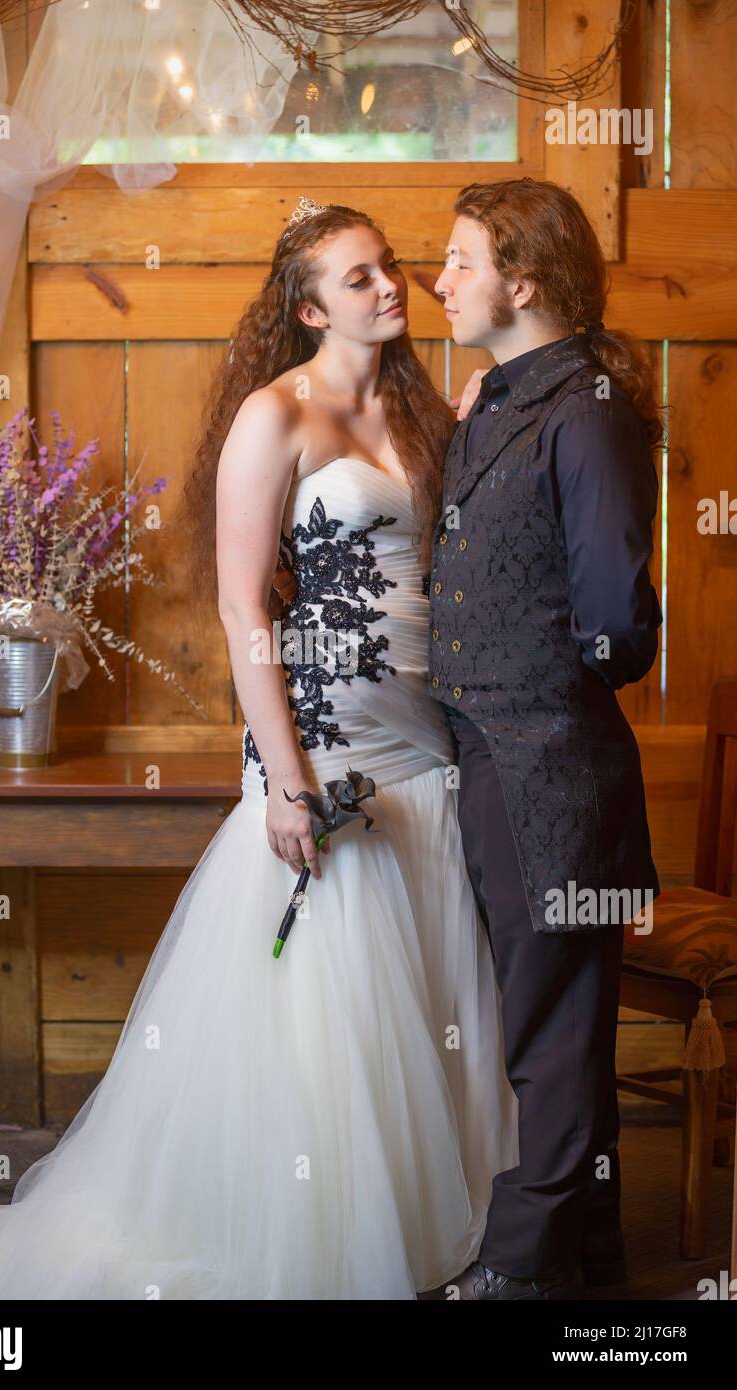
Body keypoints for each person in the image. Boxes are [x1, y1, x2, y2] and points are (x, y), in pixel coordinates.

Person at [0, 197, 518, 1301]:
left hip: (426, 745)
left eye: (389, 269)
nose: (386, 287)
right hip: (321, 739)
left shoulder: (424, 415)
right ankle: (312, 1238)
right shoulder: (276, 418)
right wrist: (284, 779)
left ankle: (434, 1231)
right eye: (357, 278)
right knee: (328, 1011)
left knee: (428, 997)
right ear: (310, 306)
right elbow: (238, 609)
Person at [427, 177, 664, 1300]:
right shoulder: (509, 398)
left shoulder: (586, 410)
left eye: (459, 260)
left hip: (555, 773)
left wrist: (549, 691)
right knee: (549, 1023)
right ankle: (585, 1266)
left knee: (554, 1038)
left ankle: (519, 1275)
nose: (440, 280)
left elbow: (618, 623)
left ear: (521, 282)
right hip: (495, 761)